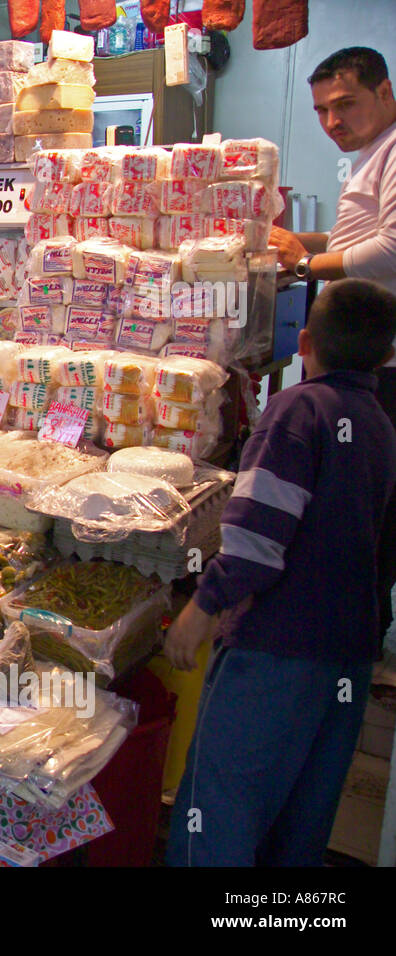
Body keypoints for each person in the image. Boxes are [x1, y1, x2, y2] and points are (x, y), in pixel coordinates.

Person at [164, 278, 396, 867]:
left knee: (221, 808)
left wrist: (202, 607)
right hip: (346, 653)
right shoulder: (379, 421)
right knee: (303, 811)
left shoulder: (299, 409)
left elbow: (258, 536)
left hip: (277, 649)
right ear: (388, 355)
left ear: (305, 340)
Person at [269, 46, 396, 639]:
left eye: (345, 104)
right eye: (322, 110)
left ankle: (355, 642)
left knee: (366, 516)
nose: (331, 122)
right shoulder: (374, 155)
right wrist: (304, 239)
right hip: (364, 362)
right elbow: (362, 236)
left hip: (382, 367)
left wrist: (307, 263)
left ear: (385, 93)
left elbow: (390, 252)